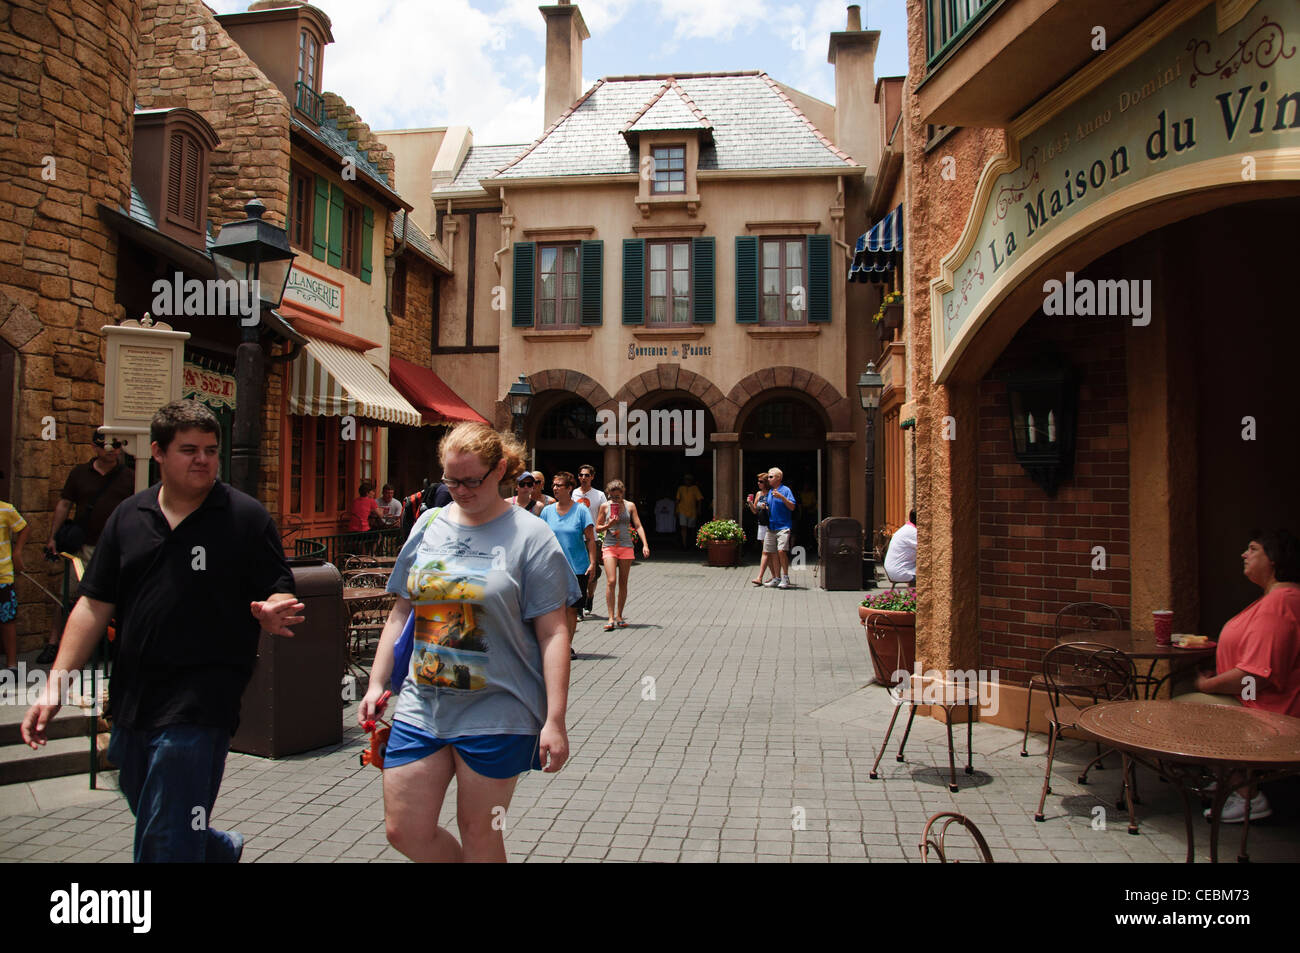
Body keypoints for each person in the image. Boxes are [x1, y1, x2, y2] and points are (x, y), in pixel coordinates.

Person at [21, 400, 304, 862]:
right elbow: (93, 603)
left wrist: (273, 609)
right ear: (158, 452)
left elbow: (278, 587)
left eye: (211, 450)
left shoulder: (245, 518)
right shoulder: (128, 518)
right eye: (189, 449)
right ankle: (217, 849)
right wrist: (57, 682)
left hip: (204, 698)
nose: (203, 460)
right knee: (157, 810)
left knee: (166, 839)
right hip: (134, 694)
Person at [359, 423, 576, 862]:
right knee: (404, 829)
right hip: (423, 705)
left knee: (480, 834)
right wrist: (377, 682)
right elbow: (402, 610)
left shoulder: (532, 537)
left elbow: (554, 631)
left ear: (499, 471)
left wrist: (555, 719)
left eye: (470, 480)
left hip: (499, 710)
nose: (458, 490)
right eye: (450, 480)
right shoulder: (429, 524)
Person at [1176, 529, 1300, 823]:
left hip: (1270, 711)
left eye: (1253, 549)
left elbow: (1254, 678)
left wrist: (1208, 684)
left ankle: (1247, 796)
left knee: (1181, 709)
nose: (1244, 554)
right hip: (1260, 702)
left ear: (1273, 559)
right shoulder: (1280, 597)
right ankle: (1231, 778)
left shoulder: (1280, 602)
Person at [38, 432, 136, 664]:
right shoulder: (80, 474)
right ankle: (54, 643)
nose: (112, 450)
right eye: (107, 446)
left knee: (117, 596)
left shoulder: (130, 476)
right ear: (95, 447)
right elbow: (64, 504)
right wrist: (52, 537)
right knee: (67, 594)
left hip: (115, 548)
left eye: (117, 445)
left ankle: (116, 646)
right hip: (83, 547)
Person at [540, 472, 597, 645]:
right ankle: (554, 644)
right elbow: (541, 539)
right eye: (554, 485)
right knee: (554, 610)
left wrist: (593, 563)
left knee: (572, 610)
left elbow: (590, 538)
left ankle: (567, 646)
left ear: (569, 488)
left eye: (559, 485)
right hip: (552, 568)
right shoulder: (547, 511)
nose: (555, 488)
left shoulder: (581, 510)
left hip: (577, 567)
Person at [594, 480, 649, 630]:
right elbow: (598, 528)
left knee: (623, 582)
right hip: (610, 545)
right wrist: (608, 525)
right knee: (611, 580)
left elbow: (637, 525)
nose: (615, 500)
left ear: (622, 494)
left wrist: (645, 544)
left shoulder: (630, 506)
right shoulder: (605, 506)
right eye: (612, 497)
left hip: (626, 545)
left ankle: (619, 615)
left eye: (617, 497)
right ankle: (610, 617)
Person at [1, 499, 31, 674]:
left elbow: (24, 528)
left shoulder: (5, 509)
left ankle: (11, 666)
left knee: (7, 620)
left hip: (2, 576)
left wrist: (17, 552)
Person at [573, 464, 607, 615]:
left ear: (592, 477)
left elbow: (604, 516)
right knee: (578, 572)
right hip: (576, 538)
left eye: (587, 475)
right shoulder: (573, 493)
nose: (584, 478)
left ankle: (590, 597)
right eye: (581, 475)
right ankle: (579, 607)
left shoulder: (599, 495)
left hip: (594, 538)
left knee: (592, 572)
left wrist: (605, 537)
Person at [763, 467, 797, 589]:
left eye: (771, 476)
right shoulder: (770, 492)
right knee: (772, 552)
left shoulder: (785, 490)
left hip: (783, 526)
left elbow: (792, 507)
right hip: (771, 527)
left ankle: (785, 577)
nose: (768, 479)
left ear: (778, 478)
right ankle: (776, 578)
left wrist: (782, 497)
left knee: (781, 551)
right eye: (768, 476)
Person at [747, 472, 774, 586]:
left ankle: (760, 577)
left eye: (761, 482)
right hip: (761, 524)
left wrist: (767, 507)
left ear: (766, 482)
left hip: (770, 524)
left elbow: (775, 508)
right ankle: (774, 576)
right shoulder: (759, 493)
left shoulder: (772, 493)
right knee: (767, 551)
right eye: (758, 481)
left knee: (766, 551)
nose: (759, 483)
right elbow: (755, 511)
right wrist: (750, 503)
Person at [884, 510, 918, 585]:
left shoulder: (907, 528)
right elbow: (925, 550)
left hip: (894, 570)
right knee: (932, 573)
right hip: (900, 572)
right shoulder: (912, 532)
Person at [675, 474, 703, 549]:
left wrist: (699, 509)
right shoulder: (681, 488)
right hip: (682, 510)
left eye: (689, 479)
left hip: (692, 511)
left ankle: (691, 543)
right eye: (686, 479)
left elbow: (699, 499)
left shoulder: (695, 488)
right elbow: (677, 500)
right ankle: (684, 545)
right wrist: (676, 510)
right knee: (683, 528)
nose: (687, 481)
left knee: (691, 528)